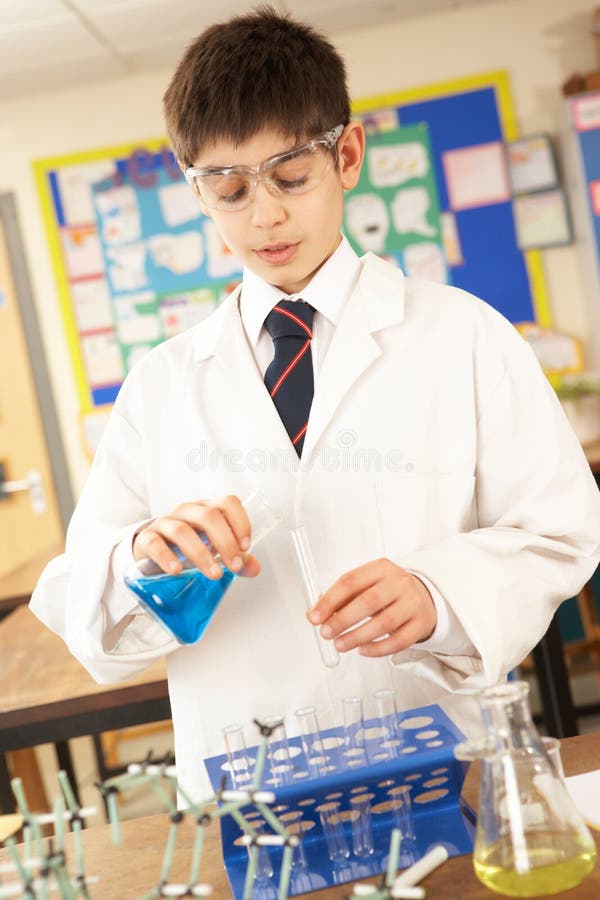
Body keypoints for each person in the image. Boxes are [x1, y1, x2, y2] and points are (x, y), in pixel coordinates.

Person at [31, 6, 600, 801]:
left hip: (444, 762)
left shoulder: (463, 336)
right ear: (196, 193)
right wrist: (141, 559)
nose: (263, 216)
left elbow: (559, 534)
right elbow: (76, 601)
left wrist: (437, 595)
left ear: (349, 155)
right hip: (252, 790)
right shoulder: (161, 385)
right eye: (227, 189)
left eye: (290, 177)